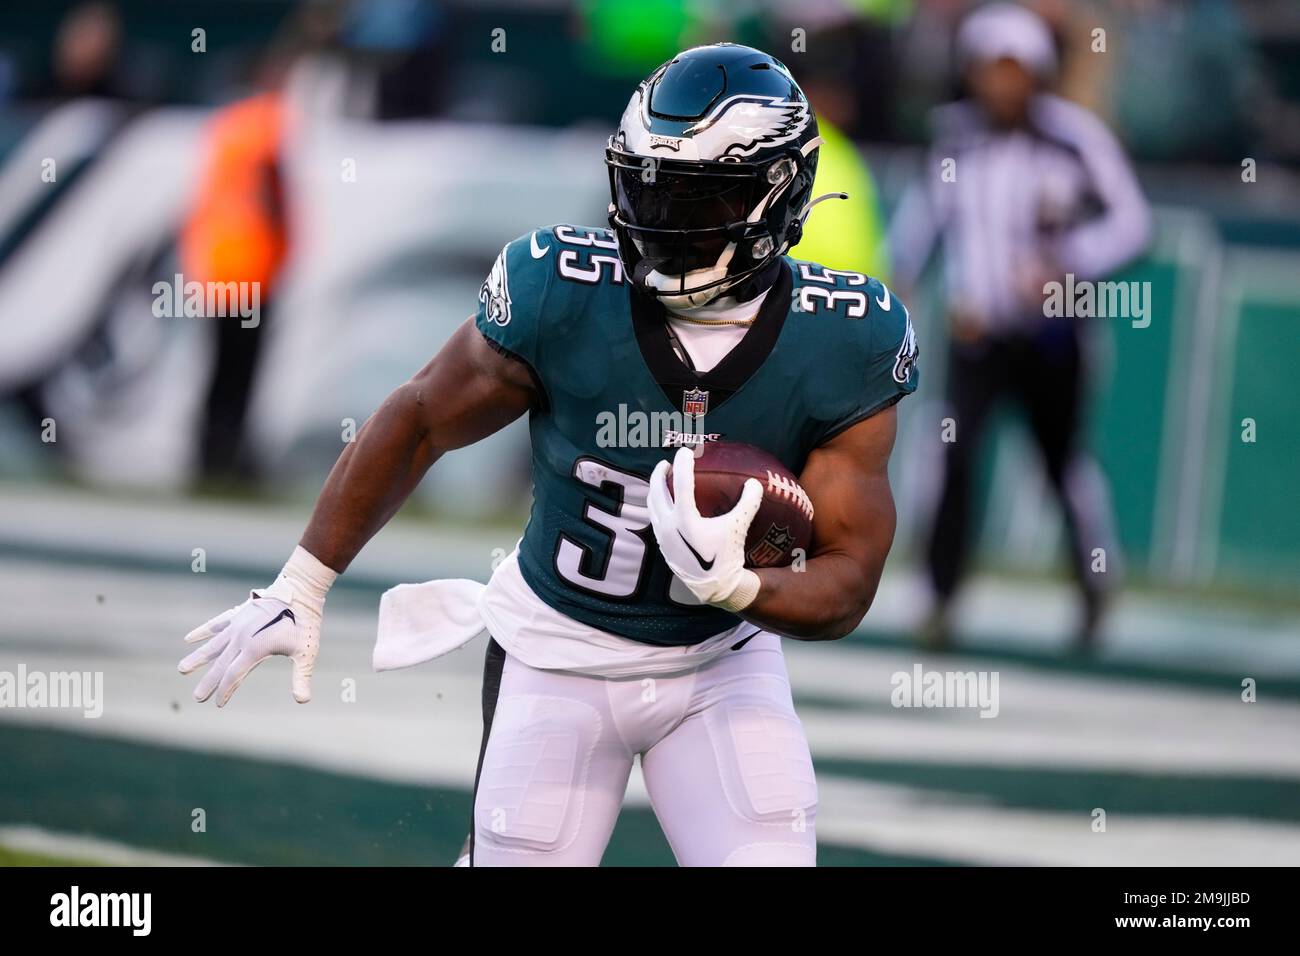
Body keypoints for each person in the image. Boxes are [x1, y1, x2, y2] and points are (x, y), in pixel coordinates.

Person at [178, 43, 918, 866]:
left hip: (721, 663)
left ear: (776, 196)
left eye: (692, 197)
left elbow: (849, 579)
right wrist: (302, 583)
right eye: (644, 185)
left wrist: (740, 586)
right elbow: (419, 420)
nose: (657, 218)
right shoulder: (562, 289)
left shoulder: (844, 335)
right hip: (556, 653)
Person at [889, 3, 1150, 651]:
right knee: (952, 454)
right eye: (989, 70)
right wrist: (901, 289)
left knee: (1062, 462)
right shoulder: (953, 138)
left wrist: (1066, 263)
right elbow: (920, 231)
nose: (1001, 85)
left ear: (1036, 73)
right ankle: (939, 596)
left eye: (1013, 70)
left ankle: (1094, 582)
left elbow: (1133, 223)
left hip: (1054, 331)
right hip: (977, 333)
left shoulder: (1074, 137)